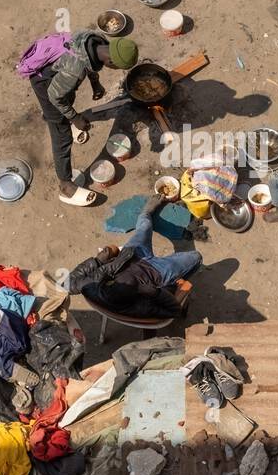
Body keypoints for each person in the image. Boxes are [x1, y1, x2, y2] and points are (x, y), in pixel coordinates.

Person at [28, 30, 139, 206]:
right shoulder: (74, 71)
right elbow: (54, 96)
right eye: (116, 67)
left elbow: (89, 62)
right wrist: (75, 118)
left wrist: (95, 83)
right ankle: (66, 186)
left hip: (57, 70)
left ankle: (53, 115)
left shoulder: (96, 39)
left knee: (68, 94)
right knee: (61, 135)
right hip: (44, 83)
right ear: (110, 61)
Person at [66, 196, 201, 319]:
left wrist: (98, 260)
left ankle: (146, 212)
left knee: (145, 226)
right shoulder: (135, 308)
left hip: (132, 255)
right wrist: (156, 293)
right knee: (196, 257)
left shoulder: (91, 286)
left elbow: (66, 284)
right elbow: (173, 311)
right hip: (157, 272)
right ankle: (173, 281)